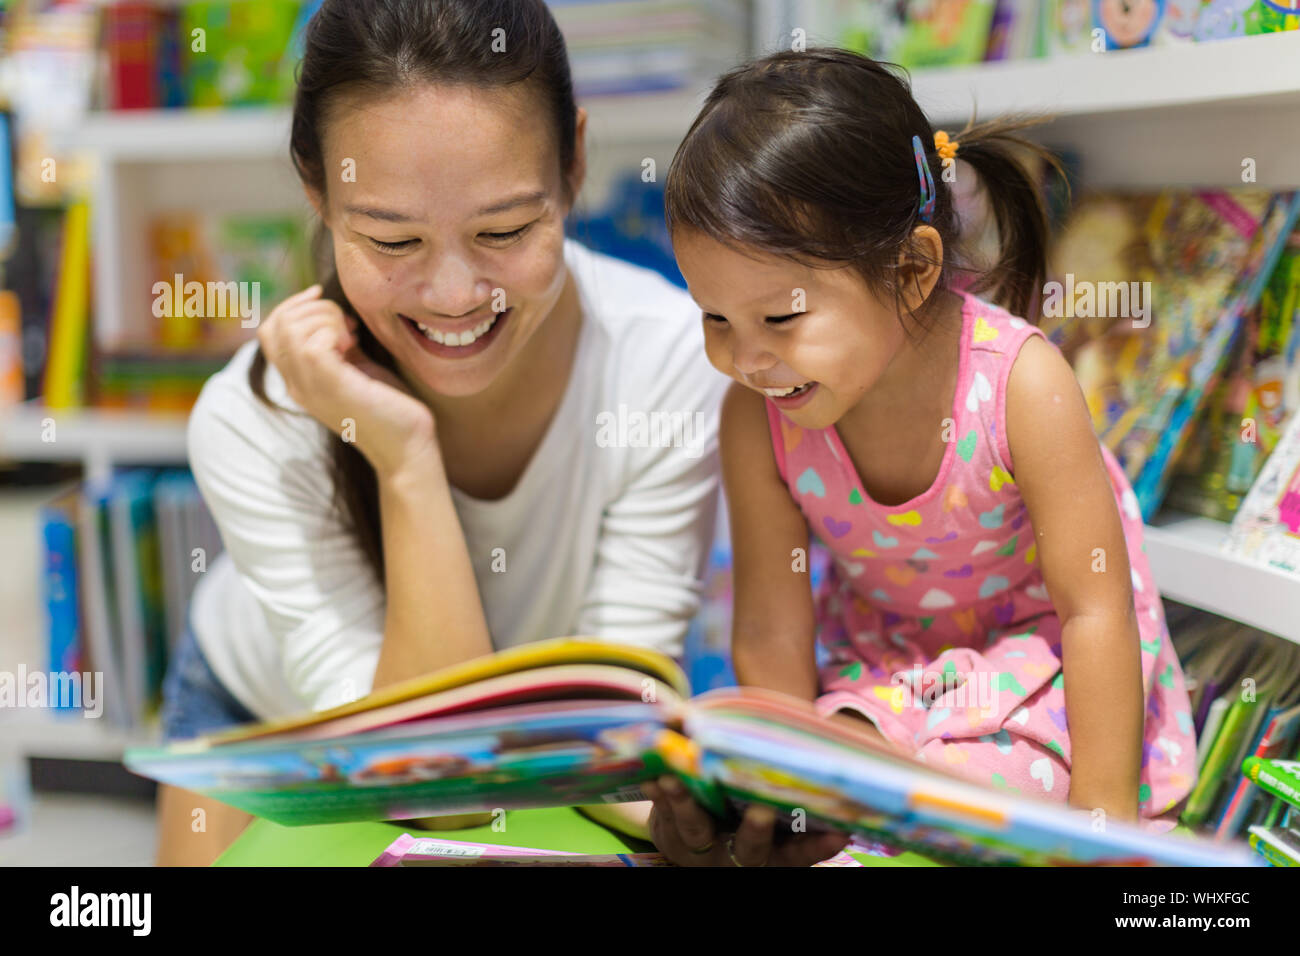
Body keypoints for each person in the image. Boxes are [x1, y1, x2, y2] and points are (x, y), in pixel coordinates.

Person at [155, 0, 726, 865]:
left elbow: (613, 734)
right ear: (316, 188)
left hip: (536, 752)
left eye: (504, 230)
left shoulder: (669, 365)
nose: (455, 294)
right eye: (392, 239)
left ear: (574, 162)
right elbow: (427, 788)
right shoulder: (253, 420)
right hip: (261, 715)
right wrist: (404, 456)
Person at [644, 48, 1198, 867]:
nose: (747, 359)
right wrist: (771, 783)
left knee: (970, 787)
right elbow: (770, 627)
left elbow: (1095, 613)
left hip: (1039, 667)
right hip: (886, 678)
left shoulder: (1022, 385)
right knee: (798, 769)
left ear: (911, 270)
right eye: (716, 318)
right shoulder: (756, 416)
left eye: (781, 319)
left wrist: (1103, 823)